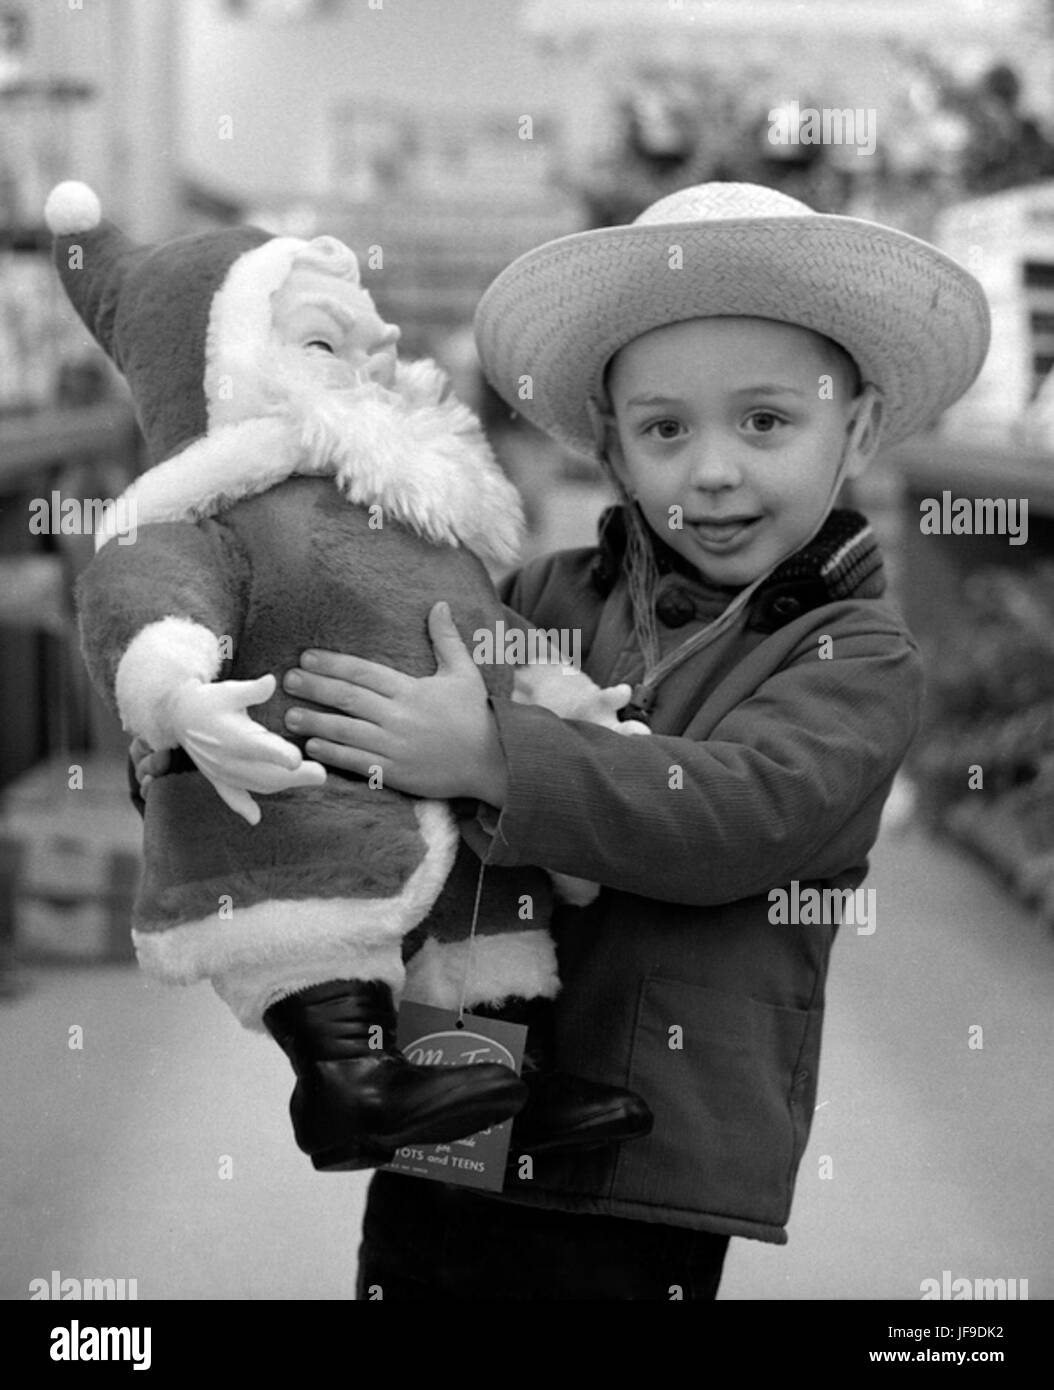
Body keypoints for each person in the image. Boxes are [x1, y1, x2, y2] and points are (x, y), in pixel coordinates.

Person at [268, 181, 990, 1299]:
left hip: (647, 1146)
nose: (709, 470)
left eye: (765, 421)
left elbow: (734, 817)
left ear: (854, 429)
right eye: (664, 427)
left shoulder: (856, 655)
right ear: (612, 446)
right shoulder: (538, 594)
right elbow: (387, 712)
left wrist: (493, 759)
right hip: (459, 1091)